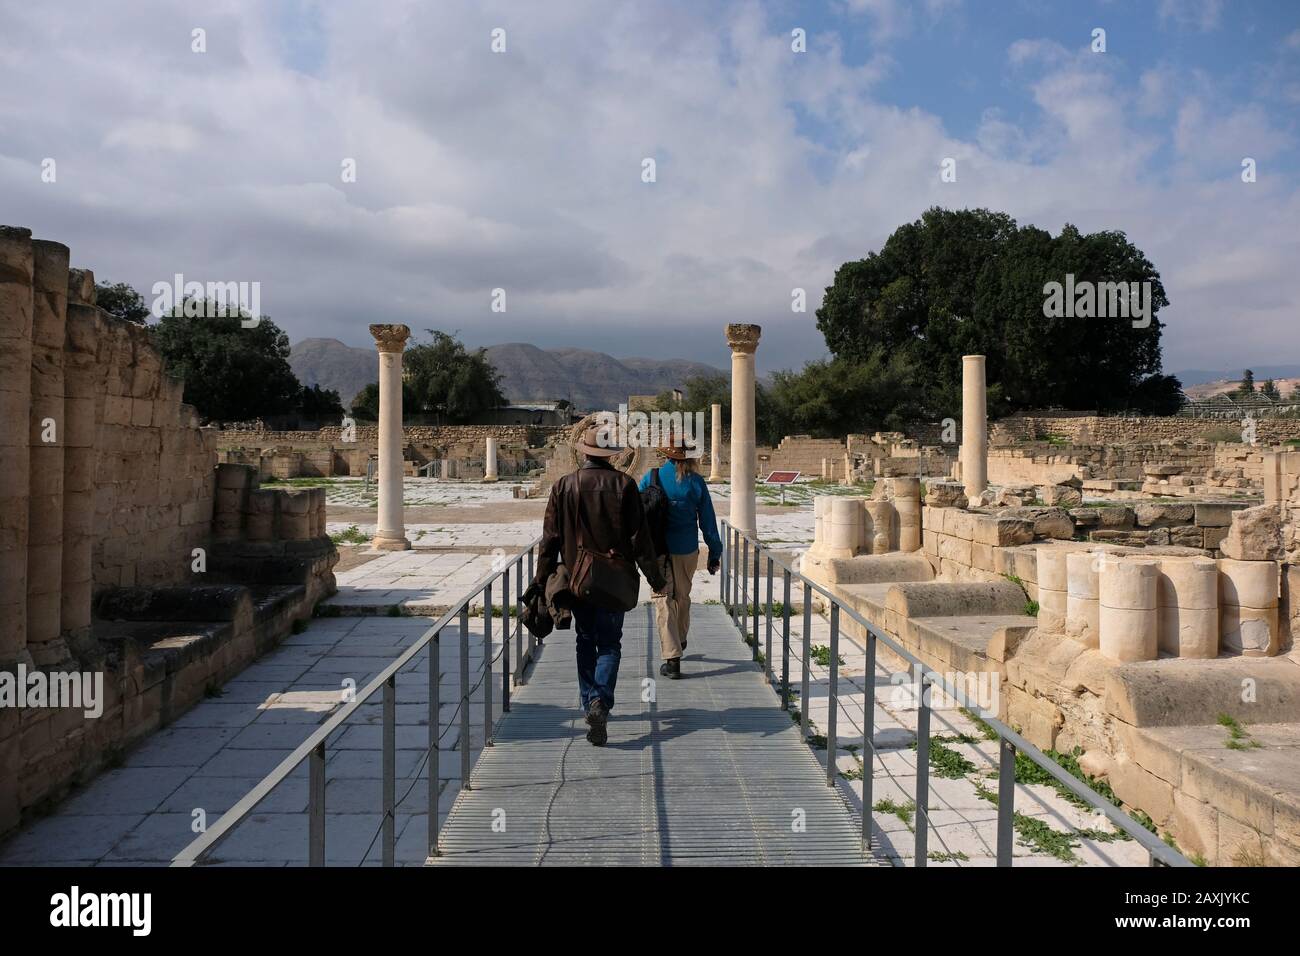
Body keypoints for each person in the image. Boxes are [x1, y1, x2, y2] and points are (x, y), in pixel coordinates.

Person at [534, 424, 666, 746]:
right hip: (613, 579)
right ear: (613, 456)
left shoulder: (564, 486)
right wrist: (656, 578)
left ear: (583, 452)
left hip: (577, 579)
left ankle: (589, 701)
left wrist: (541, 581)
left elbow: (549, 539)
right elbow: (639, 539)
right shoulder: (625, 485)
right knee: (610, 643)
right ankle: (600, 701)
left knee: (584, 640)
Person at [638, 434, 722, 680]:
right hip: (687, 550)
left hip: (659, 551)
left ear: (665, 454)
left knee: (663, 598)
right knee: (683, 596)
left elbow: (635, 512)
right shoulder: (696, 483)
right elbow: (708, 522)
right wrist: (714, 552)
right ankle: (681, 638)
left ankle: (672, 658)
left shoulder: (650, 478)